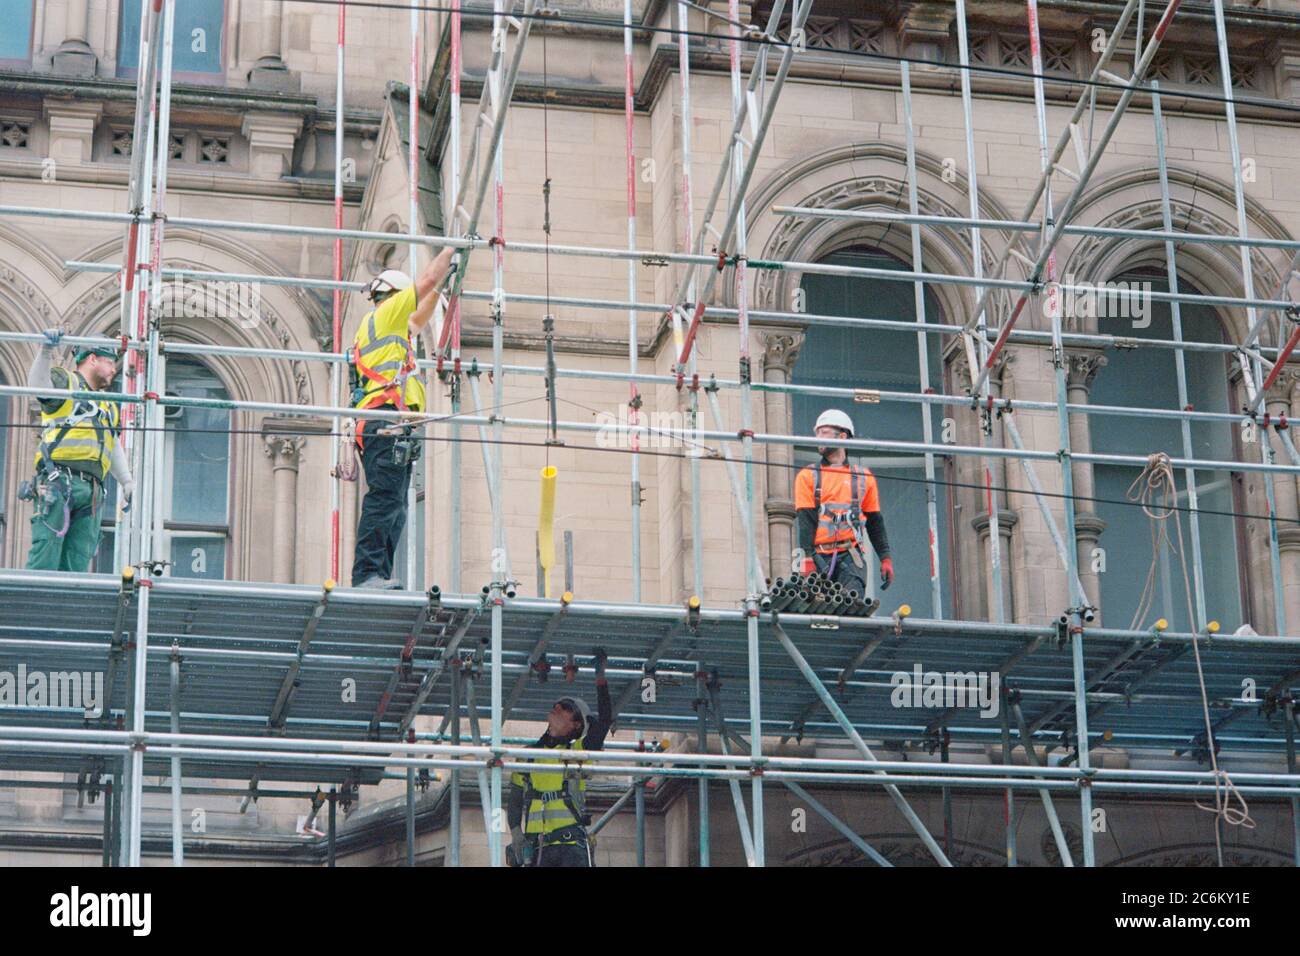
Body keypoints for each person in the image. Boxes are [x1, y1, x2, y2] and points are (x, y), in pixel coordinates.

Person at [350, 248, 454, 589]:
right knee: (385, 499)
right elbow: (427, 279)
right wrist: (450, 251)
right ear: (394, 297)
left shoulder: (389, 328)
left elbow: (418, 320)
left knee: (395, 506)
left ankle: (378, 575)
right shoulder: (385, 314)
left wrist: (441, 288)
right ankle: (367, 575)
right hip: (384, 421)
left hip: (390, 425)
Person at [24, 330, 135, 572]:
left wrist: (126, 480)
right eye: (110, 362)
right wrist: (45, 351)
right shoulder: (66, 382)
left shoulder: (108, 404)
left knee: (77, 561)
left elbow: (111, 443)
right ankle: (32, 597)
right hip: (60, 481)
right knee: (46, 554)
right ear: (92, 359)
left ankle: (64, 599)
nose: (114, 369)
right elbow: (38, 387)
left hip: (92, 491)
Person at [508, 649, 612, 867]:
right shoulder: (527, 757)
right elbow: (515, 802)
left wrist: (600, 675)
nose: (557, 707)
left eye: (565, 708)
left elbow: (603, 723)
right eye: (556, 705)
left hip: (570, 847)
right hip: (537, 849)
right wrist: (516, 833)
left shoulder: (576, 754)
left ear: (577, 725)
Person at [793, 408, 893, 598]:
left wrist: (885, 558)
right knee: (818, 606)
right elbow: (806, 522)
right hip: (818, 557)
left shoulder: (864, 478)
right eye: (817, 433)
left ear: (842, 436)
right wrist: (806, 557)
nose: (818, 438)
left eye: (824, 432)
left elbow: (875, 522)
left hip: (850, 556)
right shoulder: (808, 476)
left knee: (851, 602)